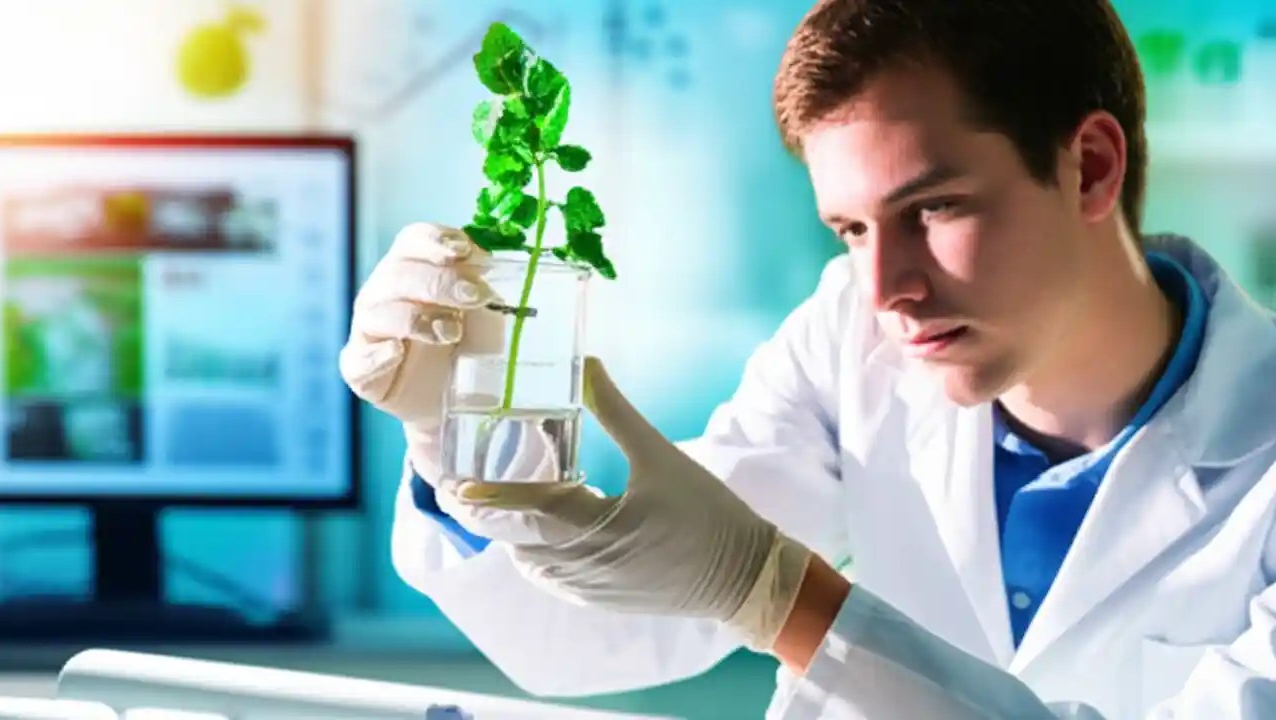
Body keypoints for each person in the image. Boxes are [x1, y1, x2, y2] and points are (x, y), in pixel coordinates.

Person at [339, 0, 1276, 717]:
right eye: (850, 229)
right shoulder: (849, 341)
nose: (885, 289)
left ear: (1093, 166)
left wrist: (779, 597)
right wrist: (452, 447)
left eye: (935, 209)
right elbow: (589, 639)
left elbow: (742, 584)